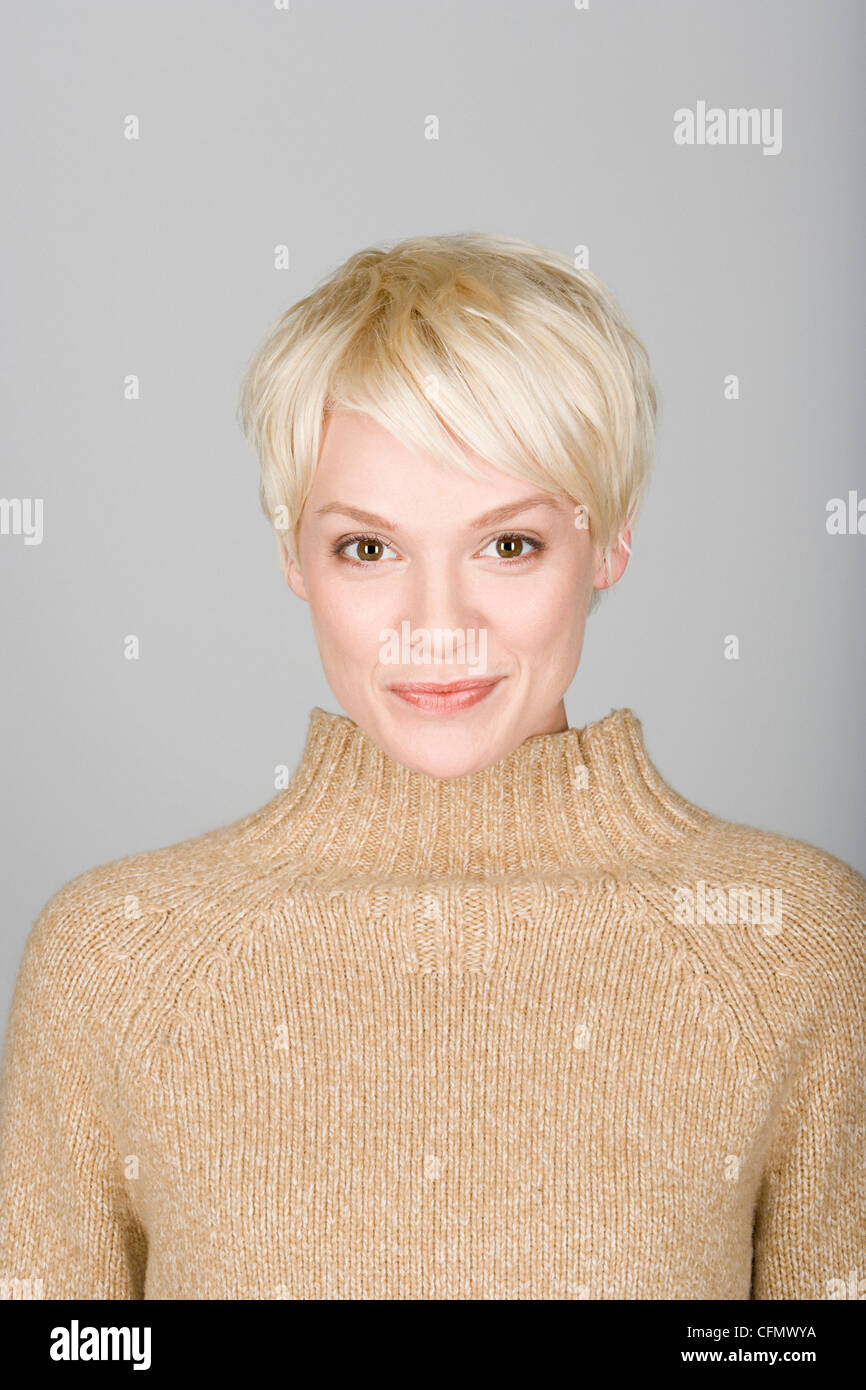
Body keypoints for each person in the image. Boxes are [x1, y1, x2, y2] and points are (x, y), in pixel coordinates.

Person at [0, 232, 863, 1300]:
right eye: (368, 548)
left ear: (609, 541)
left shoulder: (789, 943)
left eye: (508, 545)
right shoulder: (115, 958)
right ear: (294, 554)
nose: (436, 625)